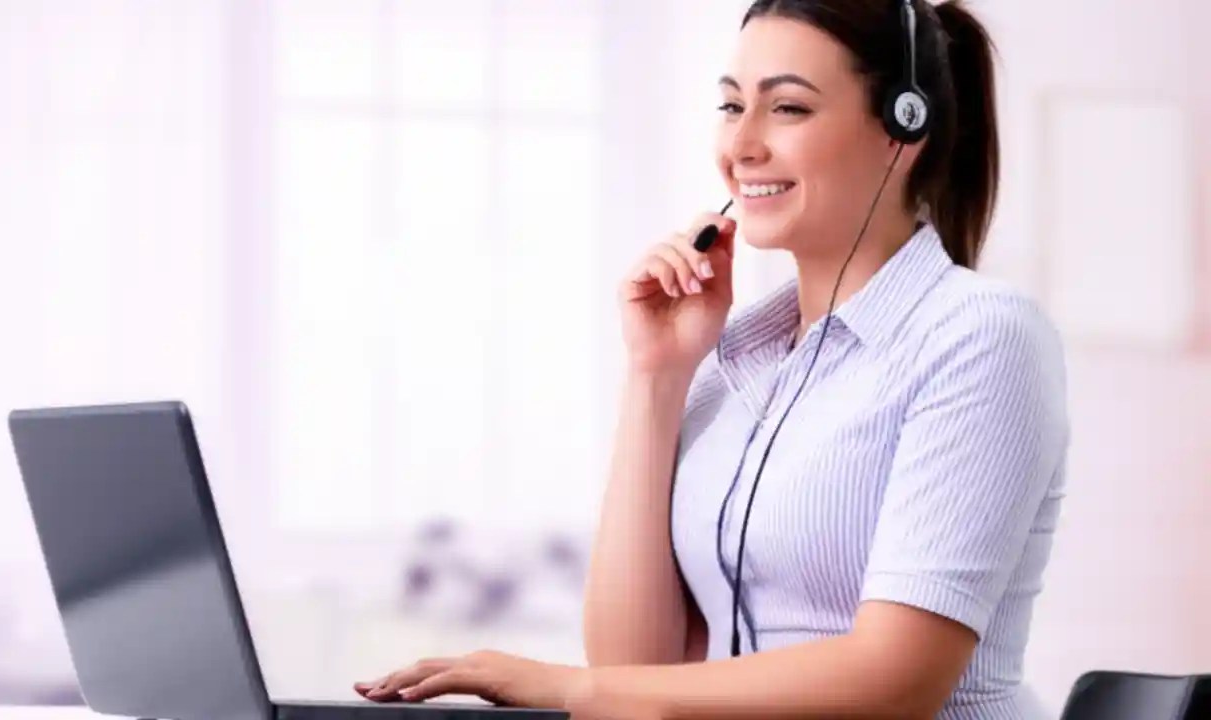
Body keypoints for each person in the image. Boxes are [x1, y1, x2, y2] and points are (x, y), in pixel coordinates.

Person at [354, 1, 1069, 717]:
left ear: (902, 128)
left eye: (787, 108)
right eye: (730, 106)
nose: (742, 146)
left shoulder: (979, 338)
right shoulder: (735, 360)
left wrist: (567, 685)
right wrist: (657, 376)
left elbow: (898, 681)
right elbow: (634, 669)